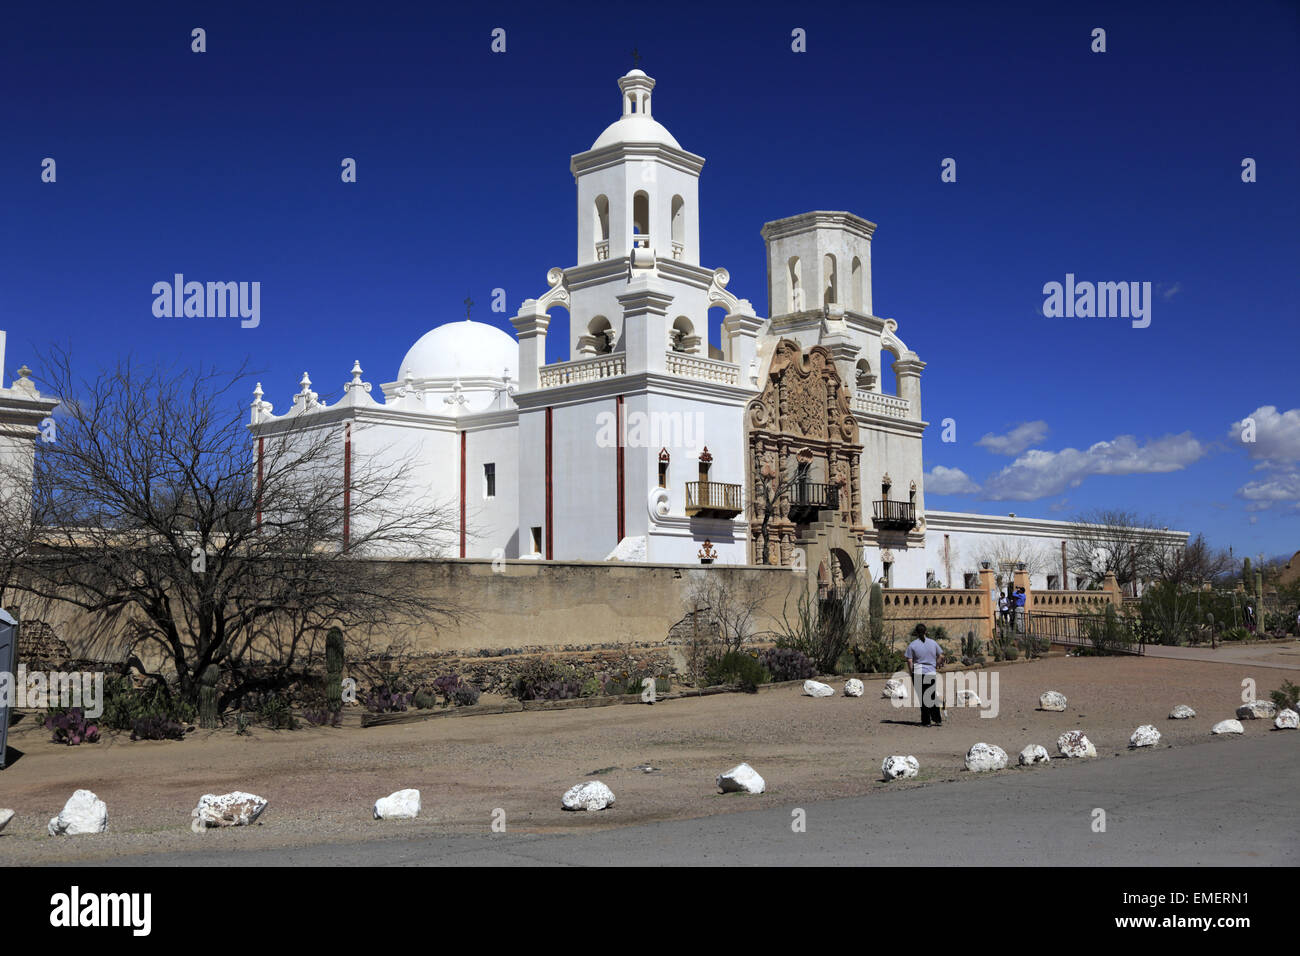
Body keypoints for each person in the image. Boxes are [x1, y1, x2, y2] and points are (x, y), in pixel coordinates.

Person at [905, 623, 945, 727]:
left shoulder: (912, 645)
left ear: (916, 633)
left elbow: (909, 661)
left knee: (922, 697)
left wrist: (911, 672)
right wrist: (936, 664)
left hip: (918, 672)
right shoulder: (933, 643)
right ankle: (937, 719)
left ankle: (926, 721)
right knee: (931, 695)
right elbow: (941, 656)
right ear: (926, 631)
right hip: (930, 671)